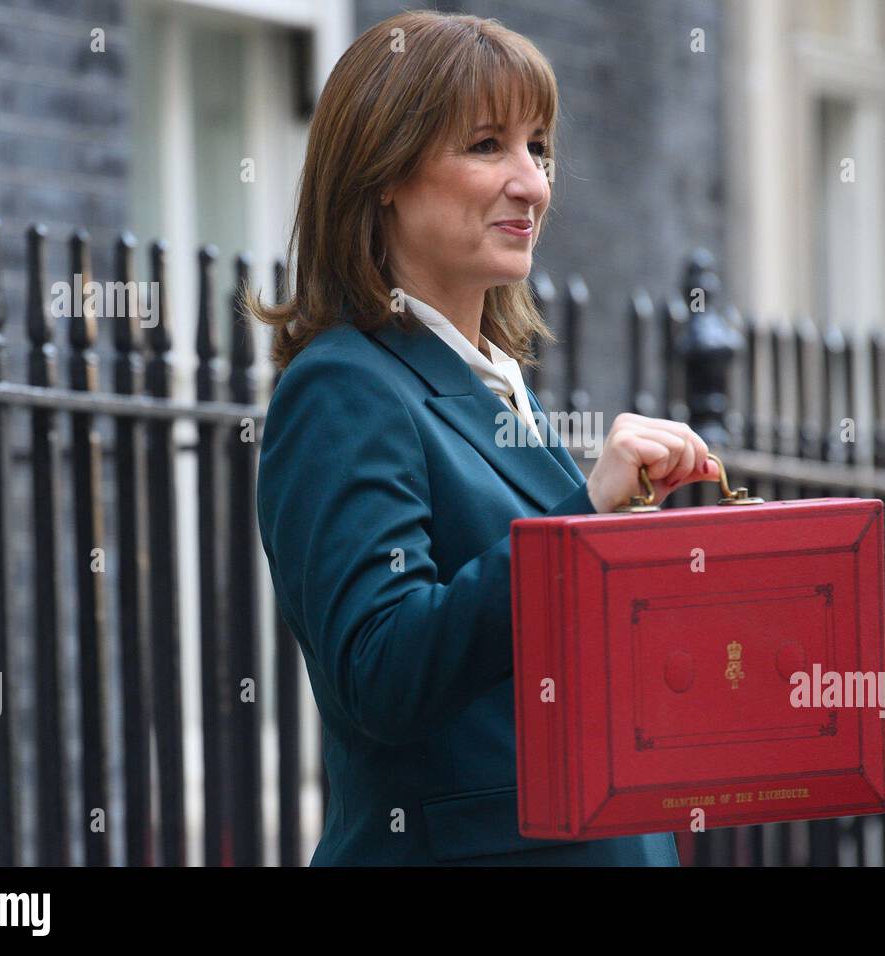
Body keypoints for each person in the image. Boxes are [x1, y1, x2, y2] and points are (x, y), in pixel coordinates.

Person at [251, 9, 721, 866]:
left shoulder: (495, 382)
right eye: (486, 145)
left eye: (538, 147)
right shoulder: (343, 387)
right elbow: (380, 672)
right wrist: (579, 524)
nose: (533, 182)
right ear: (382, 174)